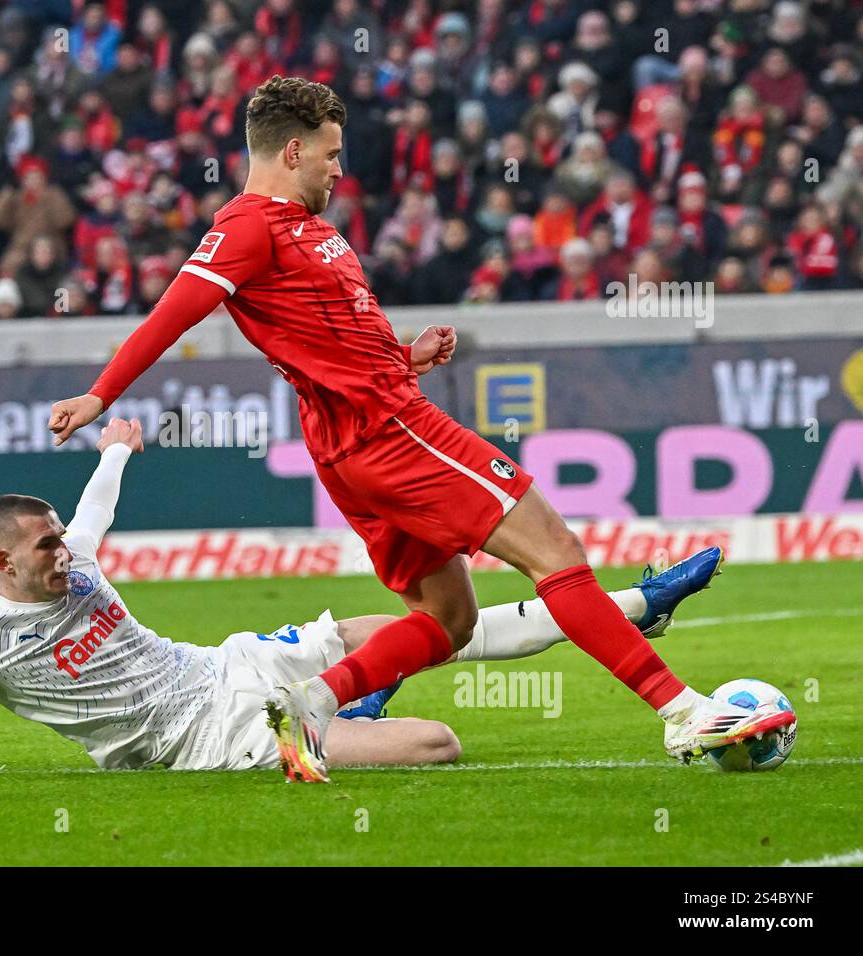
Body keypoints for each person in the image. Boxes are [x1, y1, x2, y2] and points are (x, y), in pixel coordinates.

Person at [46, 76, 792, 782]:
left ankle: (314, 702)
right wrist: (100, 394)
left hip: (359, 439)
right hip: (393, 433)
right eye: (333, 154)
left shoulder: (304, 229)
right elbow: (175, 310)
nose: (341, 170)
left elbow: (327, 343)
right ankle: (682, 711)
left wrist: (404, 356)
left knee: (448, 617)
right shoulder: (248, 225)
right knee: (555, 550)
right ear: (293, 150)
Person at [0, 419, 722, 784]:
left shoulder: (73, 559)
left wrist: (112, 448)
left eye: (61, 538)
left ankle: (635, 605)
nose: (67, 552)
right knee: (441, 741)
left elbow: (94, 511)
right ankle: (338, 710)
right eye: (47, 546)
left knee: (429, 628)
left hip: (233, 661)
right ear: (2, 565)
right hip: (206, 737)